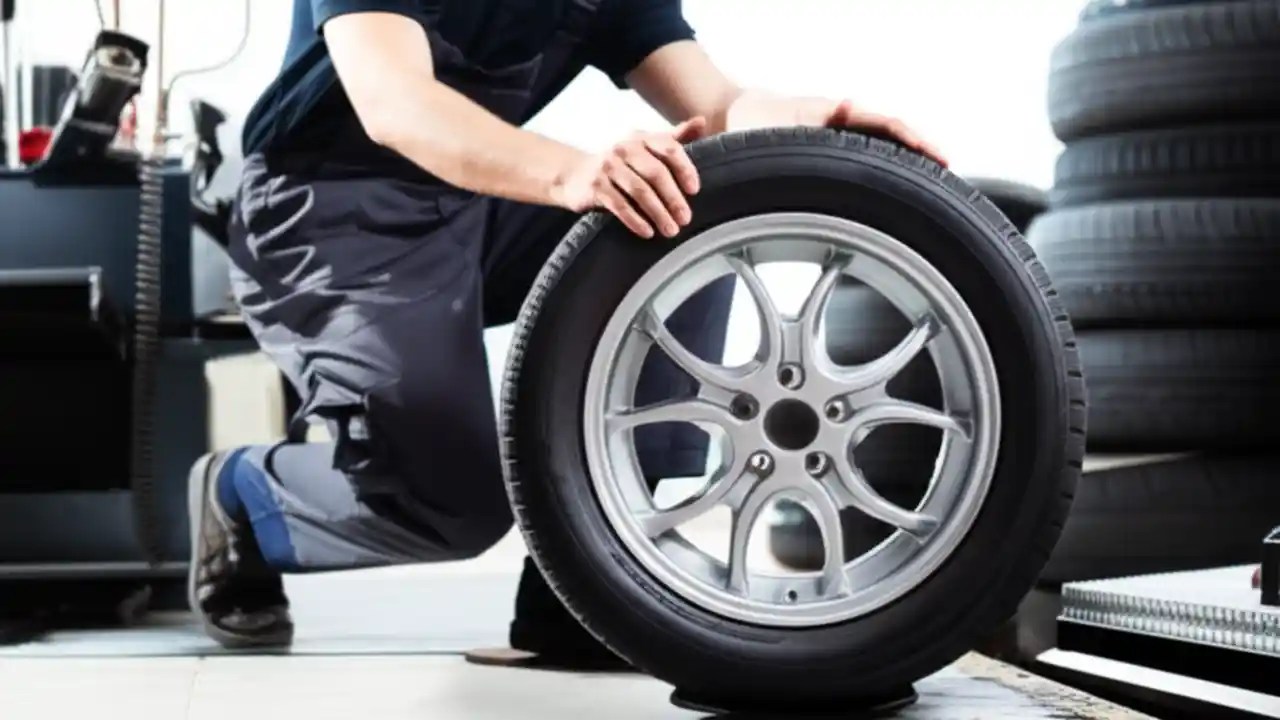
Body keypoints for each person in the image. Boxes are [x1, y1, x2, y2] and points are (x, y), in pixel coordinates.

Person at [189, 0, 947, 668]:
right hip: (322, 211)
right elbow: (394, 103)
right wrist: (573, 175)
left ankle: (584, 590)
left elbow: (717, 102)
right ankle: (244, 498)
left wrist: (810, 120)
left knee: (681, 213)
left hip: (468, 202)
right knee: (456, 506)